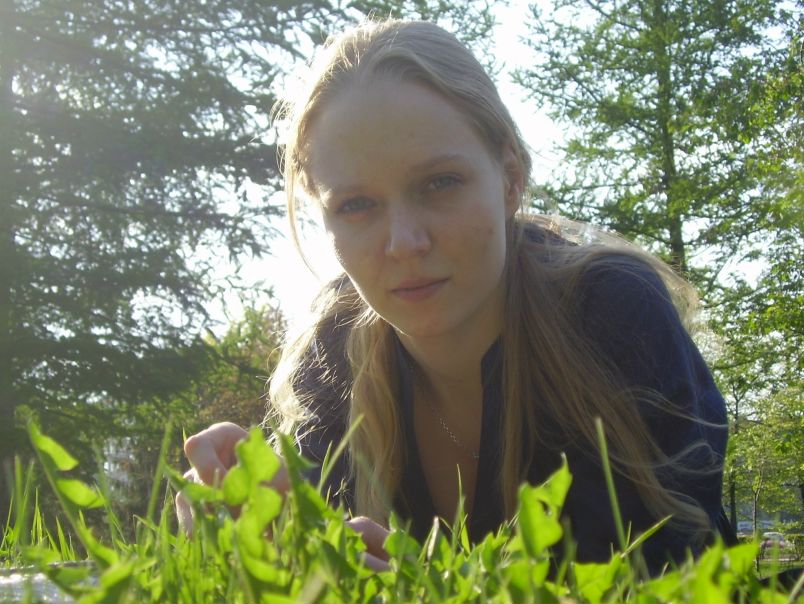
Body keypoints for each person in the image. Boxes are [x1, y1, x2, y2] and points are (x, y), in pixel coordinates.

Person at [176, 19, 729, 575]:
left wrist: (419, 585)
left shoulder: (610, 312)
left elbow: (656, 571)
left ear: (510, 177)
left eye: (439, 183)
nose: (404, 243)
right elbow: (322, 562)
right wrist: (260, 523)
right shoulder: (333, 352)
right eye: (355, 206)